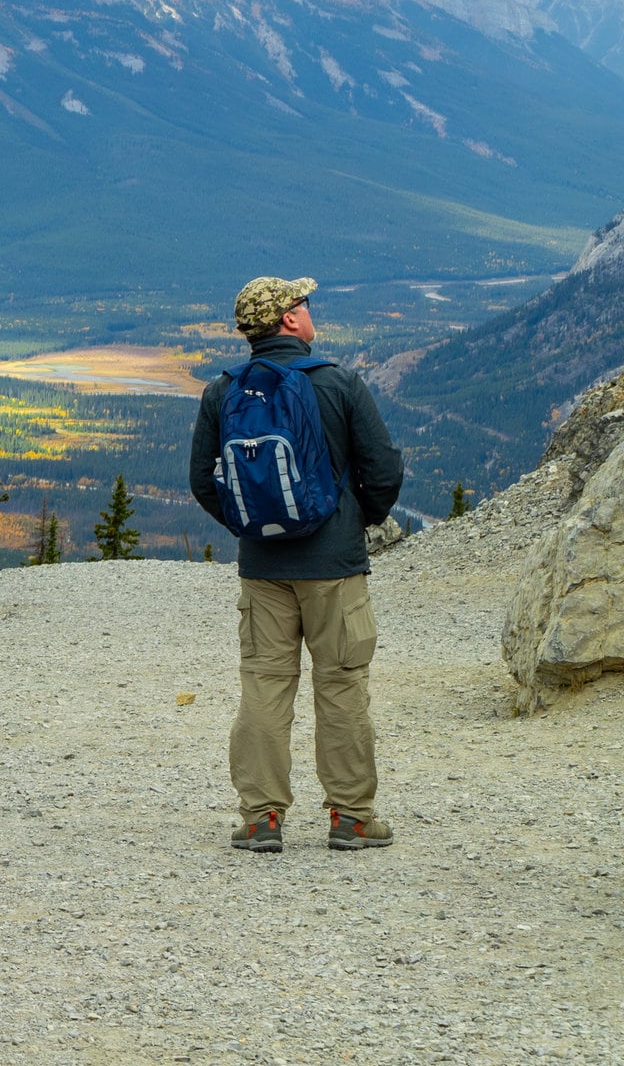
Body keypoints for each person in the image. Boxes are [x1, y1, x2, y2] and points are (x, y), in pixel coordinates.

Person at [188, 276, 404, 854]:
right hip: (335, 567)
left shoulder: (222, 392)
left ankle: (261, 818)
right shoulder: (338, 383)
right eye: (303, 305)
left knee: (263, 686)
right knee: (341, 687)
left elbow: (201, 481)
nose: (310, 312)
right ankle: (353, 819)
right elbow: (382, 468)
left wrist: (249, 527)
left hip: (263, 569)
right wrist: (357, 522)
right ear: (288, 320)